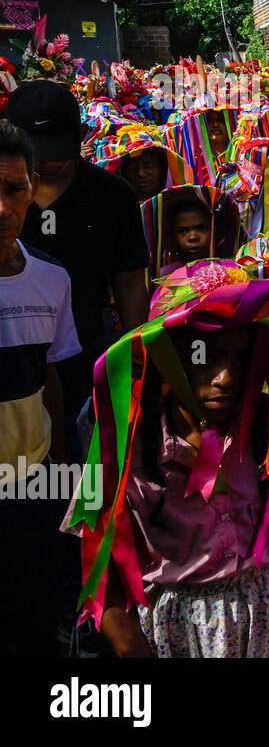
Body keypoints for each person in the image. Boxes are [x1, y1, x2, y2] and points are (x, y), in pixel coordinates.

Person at [65, 261, 269, 658]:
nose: (225, 378)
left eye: (241, 358)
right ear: (165, 357)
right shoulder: (120, 447)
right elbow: (101, 578)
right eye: (202, 358)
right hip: (180, 640)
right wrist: (132, 648)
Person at [11, 80, 149, 435]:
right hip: (11, 355)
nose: (51, 163)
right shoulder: (5, 201)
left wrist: (136, 350)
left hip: (89, 352)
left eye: (59, 150)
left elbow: (130, 279)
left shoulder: (112, 195)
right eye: (38, 154)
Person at [0, 119, 81, 657]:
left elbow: (55, 381)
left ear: (34, 189)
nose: (3, 208)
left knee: (36, 623)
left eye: (13, 189)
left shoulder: (52, 278)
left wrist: (76, 485)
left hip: (34, 492)